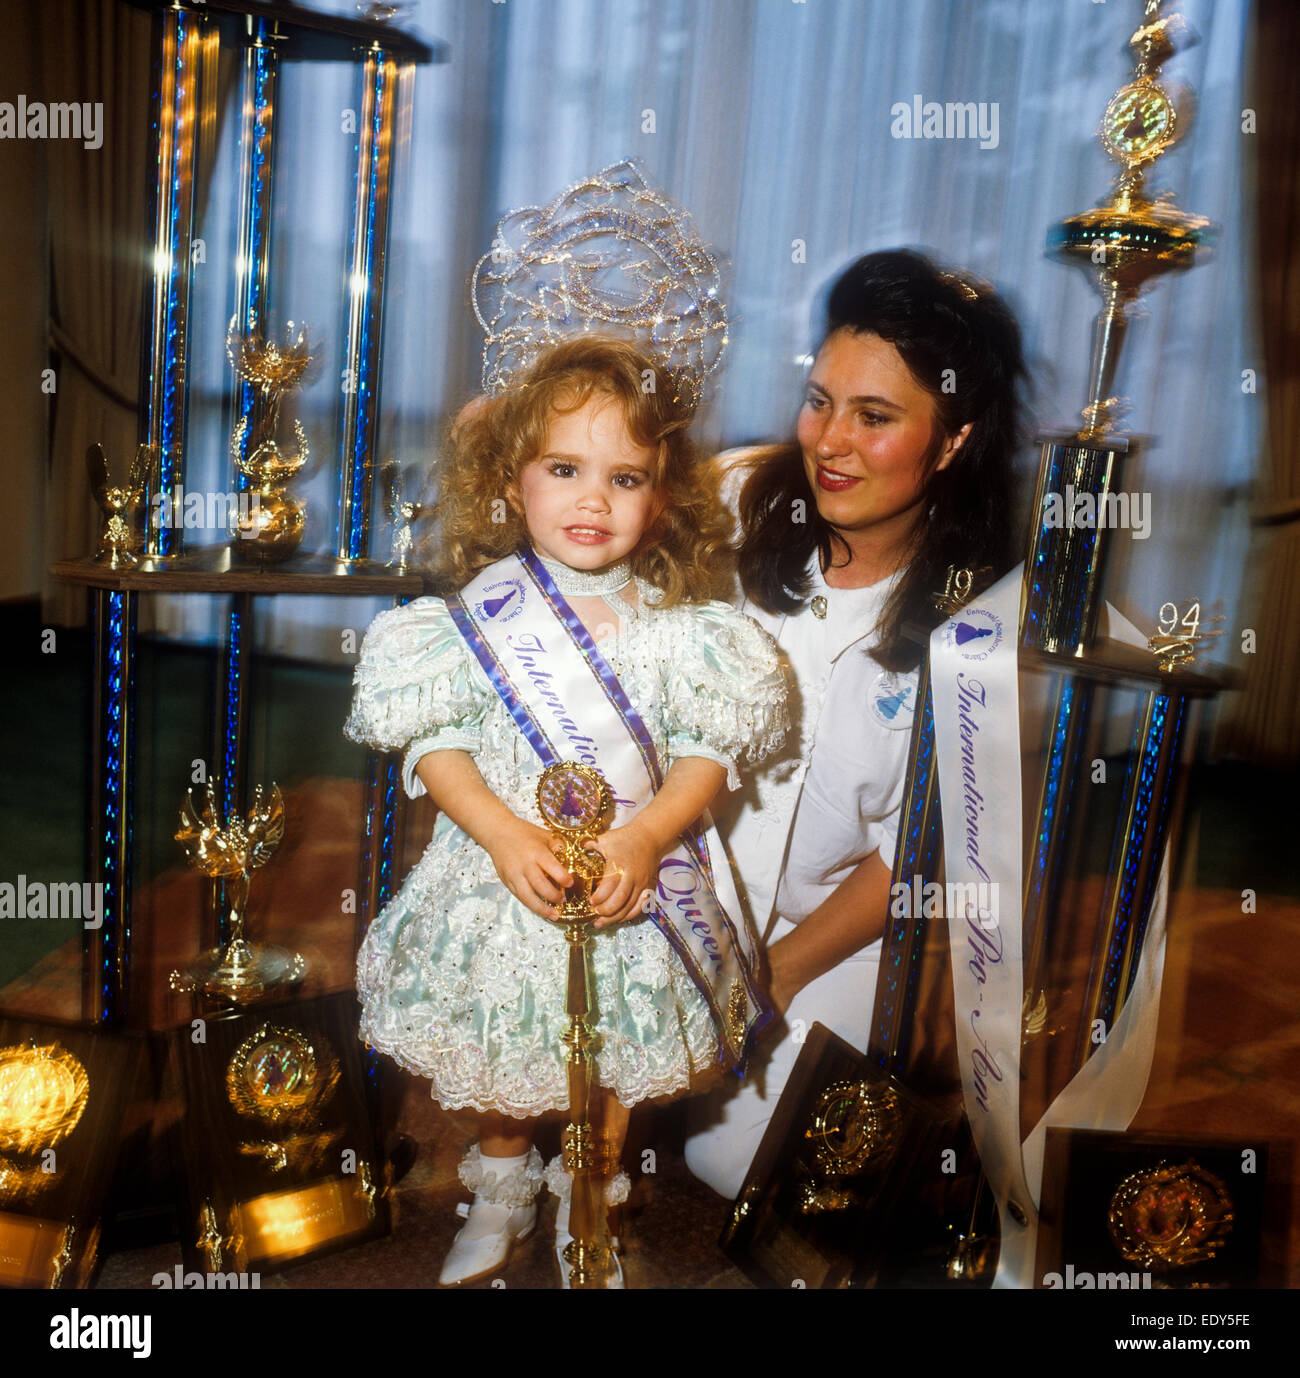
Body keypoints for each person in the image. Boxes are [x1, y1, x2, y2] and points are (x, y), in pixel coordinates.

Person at [344, 336, 787, 1287]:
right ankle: (502, 1186)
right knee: (507, 1046)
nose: (594, 499)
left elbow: (707, 761)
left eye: (626, 476)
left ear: (664, 496)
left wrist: (647, 836)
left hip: (633, 883)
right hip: (506, 880)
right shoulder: (467, 621)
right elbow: (437, 747)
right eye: (564, 468)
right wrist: (503, 836)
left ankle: (589, 1205)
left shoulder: (689, 633)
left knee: (613, 1060)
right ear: (512, 480)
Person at [685, 248, 1026, 1200]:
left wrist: (777, 973)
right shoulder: (729, 499)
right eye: (819, 399)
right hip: (670, 893)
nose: (829, 441)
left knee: (751, 1166)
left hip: (825, 925)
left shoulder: (982, 619)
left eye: (875, 417)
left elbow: (917, 849)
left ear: (951, 440)